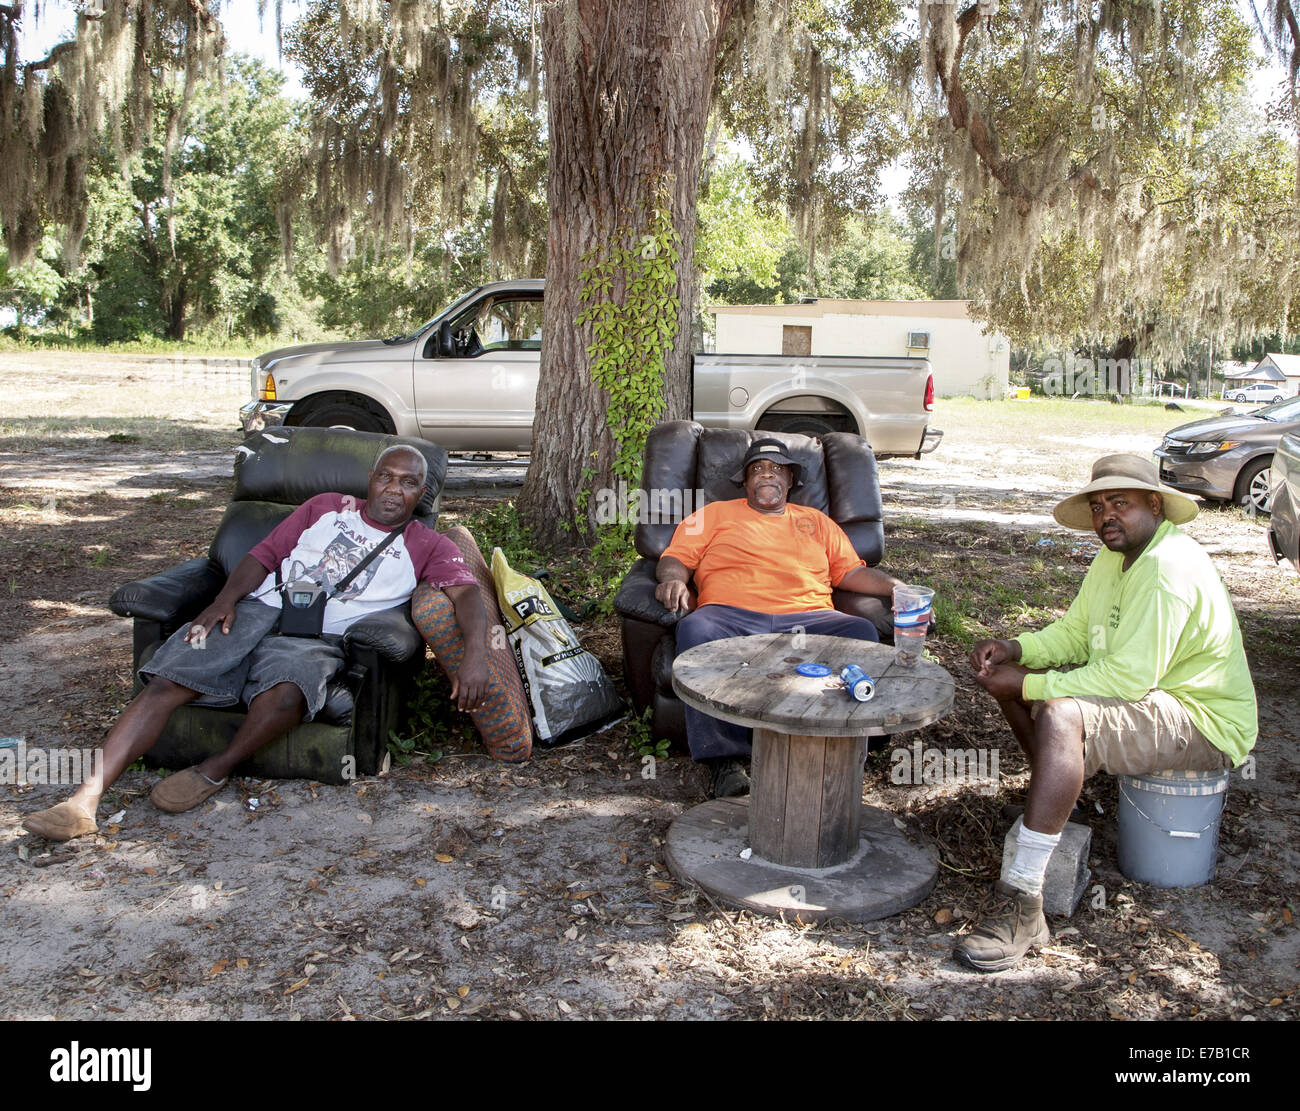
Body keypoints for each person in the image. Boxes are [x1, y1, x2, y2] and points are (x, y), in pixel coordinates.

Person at [23, 445, 491, 842]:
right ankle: (84, 801)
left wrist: (475, 655)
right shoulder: (326, 507)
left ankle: (215, 768)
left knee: (288, 693)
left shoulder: (425, 543)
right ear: (370, 480)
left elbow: (467, 594)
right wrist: (223, 602)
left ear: (421, 493)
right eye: (385, 477)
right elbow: (264, 555)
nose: (394, 489)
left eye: (408, 483)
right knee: (170, 679)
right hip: (257, 610)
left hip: (319, 636)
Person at [956, 453, 1257, 972]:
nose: (1106, 517)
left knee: (1060, 713)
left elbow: (1128, 680)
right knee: (1021, 691)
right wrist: (1014, 649)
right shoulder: (1114, 558)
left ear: (1155, 506)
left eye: (1121, 503)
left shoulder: (1167, 567)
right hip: (1158, 702)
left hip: (1204, 720)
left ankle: (1024, 905)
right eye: (1097, 506)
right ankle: (1049, 813)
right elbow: (1076, 633)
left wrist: (1030, 683)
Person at [655, 438, 908, 798]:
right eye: (757, 468)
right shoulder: (712, 515)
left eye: (777, 469)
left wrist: (896, 589)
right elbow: (675, 557)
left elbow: (850, 573)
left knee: (860, 631)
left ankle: (838, 749)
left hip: (810, 617)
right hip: (730, 617)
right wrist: (673, 579)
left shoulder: (817, 521)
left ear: (791, 481)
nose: (767, 474)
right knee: (694, 627)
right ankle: (724, 761)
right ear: (744, 481)